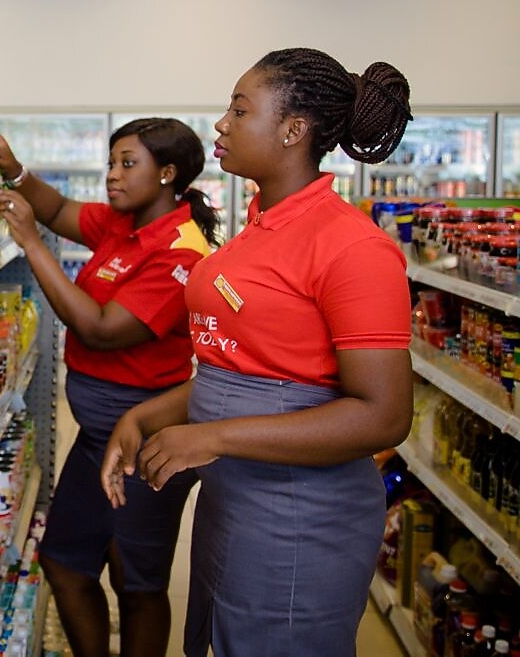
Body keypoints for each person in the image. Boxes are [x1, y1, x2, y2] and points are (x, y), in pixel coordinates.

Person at [100, 48, 414, 657]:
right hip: (234, 503)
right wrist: (146, 417)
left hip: (300, 518)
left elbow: (383, 415)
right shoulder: (257, 231)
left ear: (293, 130)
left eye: (240, 110)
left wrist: (212, 438)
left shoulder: (353, 247)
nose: (221, 123)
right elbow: (247, 371)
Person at [0, 118, 221, 657]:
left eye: (127, 164)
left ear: (168, 173)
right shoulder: (121, 221)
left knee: (137, 585)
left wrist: (31, 243)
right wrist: (14, 171)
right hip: (95, 440)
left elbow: (102, 329)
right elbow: (60, 208)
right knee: (64, 564)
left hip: (144, 442)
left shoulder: (182, 251)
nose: (113, 175)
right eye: (111, 162)